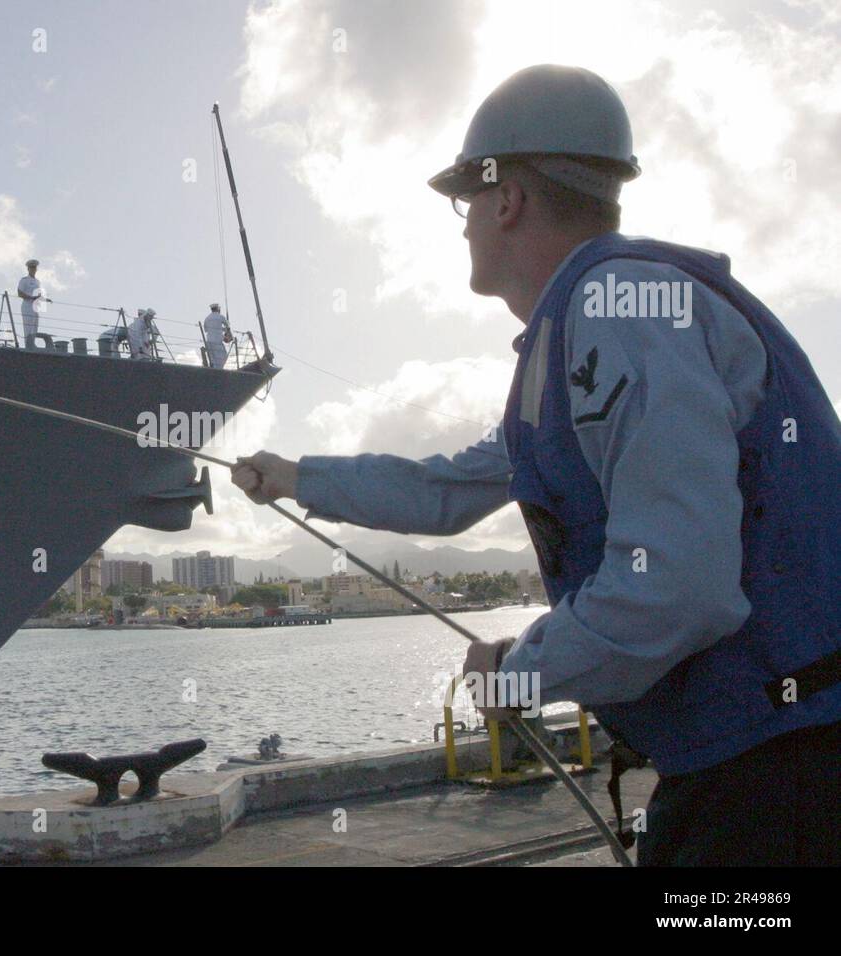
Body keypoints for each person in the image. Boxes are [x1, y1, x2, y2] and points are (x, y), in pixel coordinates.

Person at [231, 64, 841, 866]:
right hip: (742, 762)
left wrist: (522, 670)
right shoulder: (577, 340)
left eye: (466, 202)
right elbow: (445, 489)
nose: (462, 226)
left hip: (782, 778)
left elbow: (678, 587)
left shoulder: (612, 311)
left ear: (506, 199)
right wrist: (295, 477)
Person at [17, 258, 50, 345]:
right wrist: (31, 298)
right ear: (28, 269)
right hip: (27, 305)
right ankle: (28, 344)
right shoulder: (24, 280)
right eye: (31, 267)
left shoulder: (37, 282)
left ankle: (32, 343)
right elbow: (20, 293)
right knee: (28, 326)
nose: (33, 269)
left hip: (36, 306)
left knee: (35, 326)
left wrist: (45, 299)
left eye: (34, 267)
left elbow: (39, 295)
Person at [203, 303, 233, 369]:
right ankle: (219, 371)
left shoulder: (207, 318)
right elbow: (228, 325)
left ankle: (215, 369)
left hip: (209, 342)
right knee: (223, 357)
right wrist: (226, 332)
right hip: (218, 342)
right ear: (218, 309)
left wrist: (222, 329)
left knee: (213, 359)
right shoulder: (220, 316)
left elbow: (206, 330)